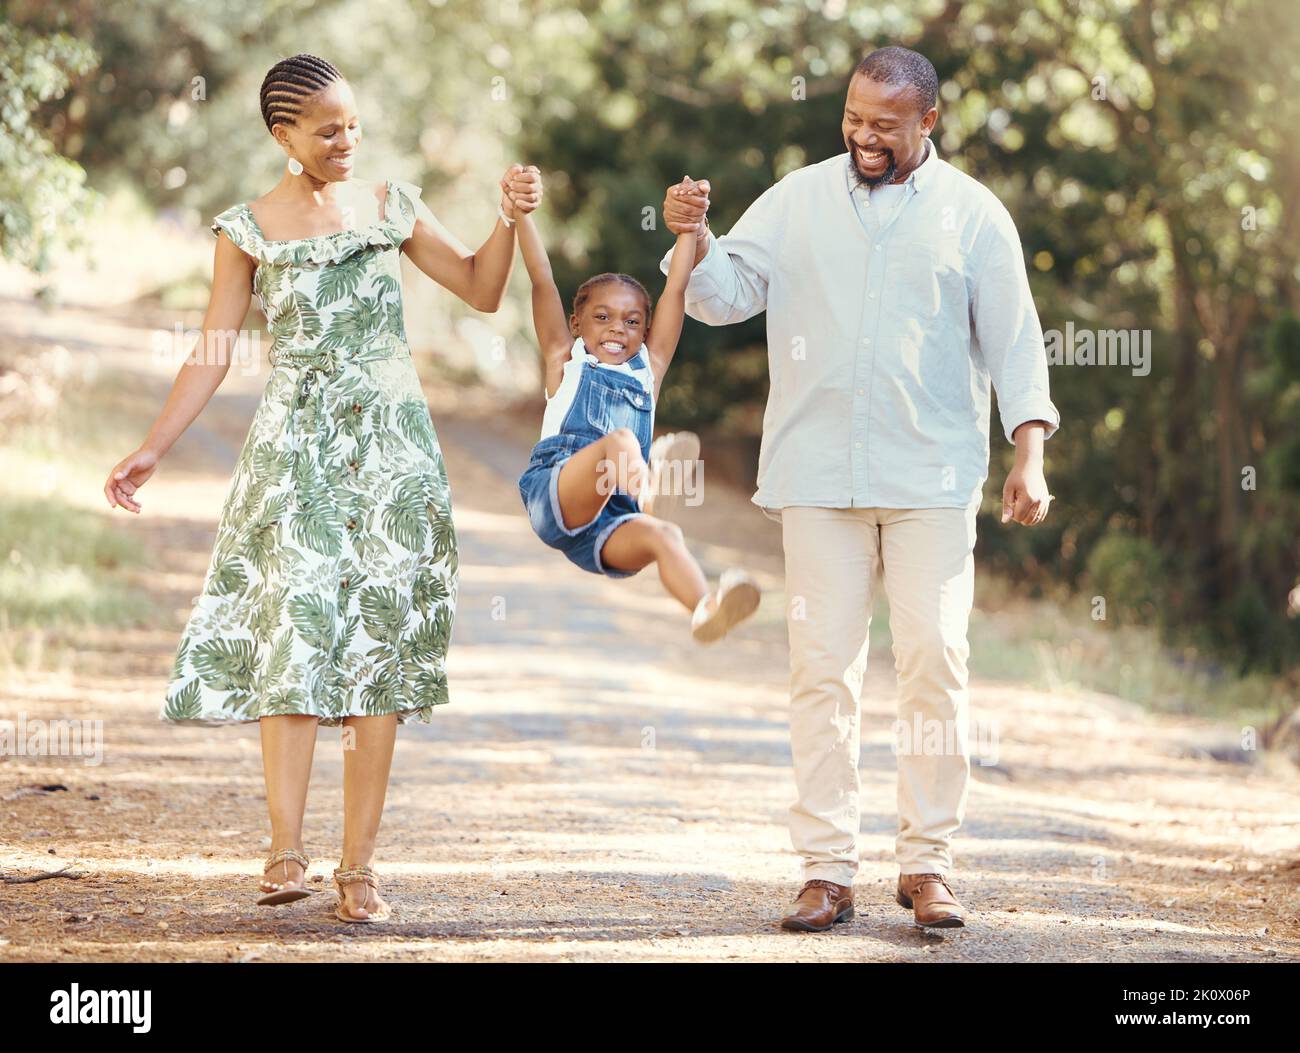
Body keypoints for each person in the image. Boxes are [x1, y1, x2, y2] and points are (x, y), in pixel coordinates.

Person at [102, 53, 539, 923]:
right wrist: (154, 446)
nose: (347, 140)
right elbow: (213, 350)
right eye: (327, 129)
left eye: (353, 124)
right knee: (296, 634)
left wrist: (509, 217)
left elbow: (484, 292)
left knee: (377, 648)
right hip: (294, 452)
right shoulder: (245, 228)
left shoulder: (390, 205)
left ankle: (360, 868)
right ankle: (284, 851)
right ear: (284, 136)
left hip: (393, 455)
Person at [660, 46, 1060, 930]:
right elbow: (720, 296)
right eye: (853, 116)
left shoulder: (974, 215)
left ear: (929, 121)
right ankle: (826, 870)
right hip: (816, 476)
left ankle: (927, 864)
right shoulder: (799, 198)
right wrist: (692, 235)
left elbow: (1016, 341)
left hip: (933, 476)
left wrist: (1028, 453)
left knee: (936, 666)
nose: (863, 134)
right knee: (822, 671)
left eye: (884, 122)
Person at [513, 173, 761, 643]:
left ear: (645, 330)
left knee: (664, 536)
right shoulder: (564, 361)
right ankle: (653, 490)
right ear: (576, 323)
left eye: (632, 322)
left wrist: (690, 225)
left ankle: (707, 608)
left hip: (611, 521)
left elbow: (676, 290)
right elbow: (541, 276)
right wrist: (522, 213)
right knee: (622, 443)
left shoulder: (650, 368)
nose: (617, 329)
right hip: (558, 493)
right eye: (602, 317)